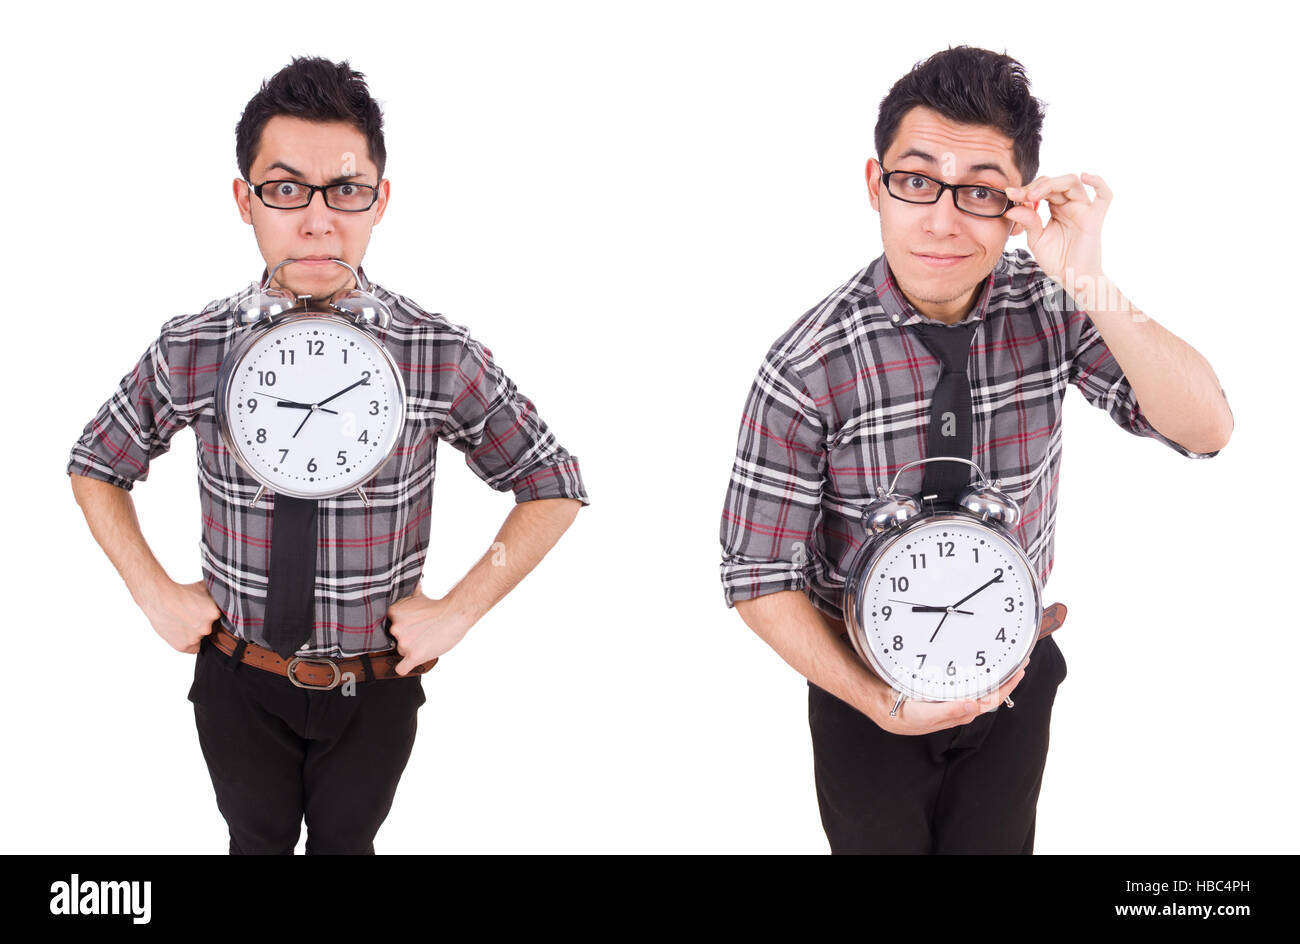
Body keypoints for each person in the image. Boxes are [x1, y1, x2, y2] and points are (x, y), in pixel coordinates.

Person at [67, 56, 589, 854]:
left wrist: (459, 609)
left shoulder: (435, 352)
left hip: (373, 687)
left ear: (379, 200)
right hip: (239, 679)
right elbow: (97, 463)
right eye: (285, 189)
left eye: (344, 190)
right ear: (245, 202)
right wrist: (152, 592)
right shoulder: (195, 346)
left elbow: (552, 483)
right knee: (255, 841)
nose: (317, 219)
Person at [717, 45, 1232, 854]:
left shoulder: (1050, 304)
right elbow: (756, 577)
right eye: (916, 181)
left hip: (1015, 671)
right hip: (868, 694)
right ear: (873, 185)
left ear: (1018, 204)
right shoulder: (807, 366)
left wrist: (1088, 277)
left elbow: (1206, 429)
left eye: (980, 192)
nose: (943, 218)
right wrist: (877, 701)